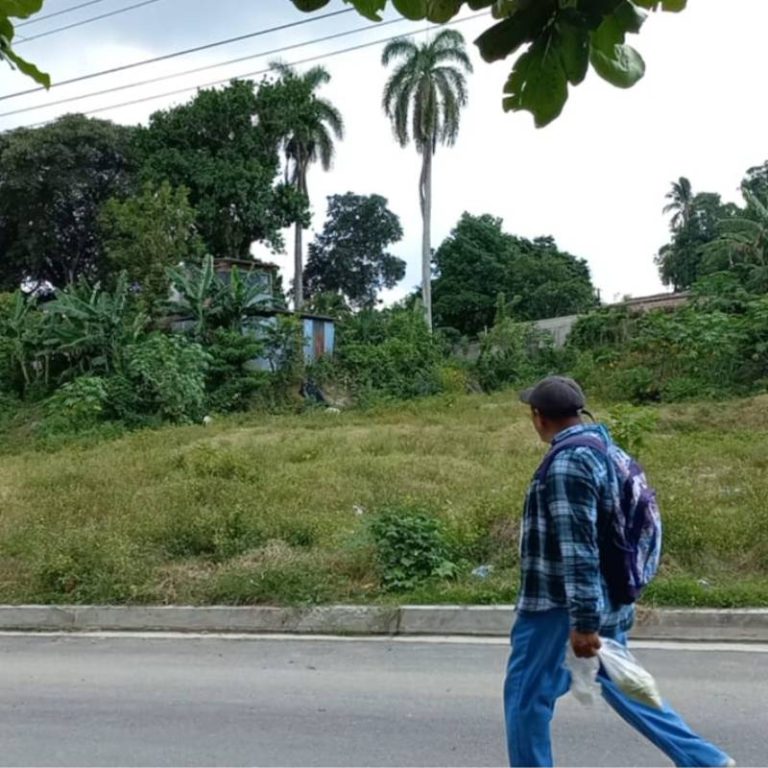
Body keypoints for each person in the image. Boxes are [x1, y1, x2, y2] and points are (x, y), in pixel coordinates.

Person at [504, 375, 734, 768]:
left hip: (559, 608)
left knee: (526, 697)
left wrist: (584, 623)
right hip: (609, 597)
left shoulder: (567, 465)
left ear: (538, 417)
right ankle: (706, 761)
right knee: (626, 686)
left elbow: (579, 551)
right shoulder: (607, 449)